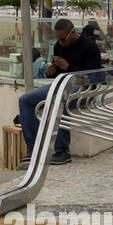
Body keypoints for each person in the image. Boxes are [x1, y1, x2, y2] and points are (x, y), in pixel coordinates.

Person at [17, 18, 101, 166]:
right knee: (25, 100)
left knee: (59, 98)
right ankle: (34, 149)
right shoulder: (58, 46)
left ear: (73, 33)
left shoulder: (90, 47)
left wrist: (68, 67)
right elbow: (58, 75)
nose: (60, 43)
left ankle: (62, 151)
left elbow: (94, 77)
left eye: (63, 39)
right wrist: (51, 72)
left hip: (84, 89)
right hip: (61, 85)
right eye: (58, 39)